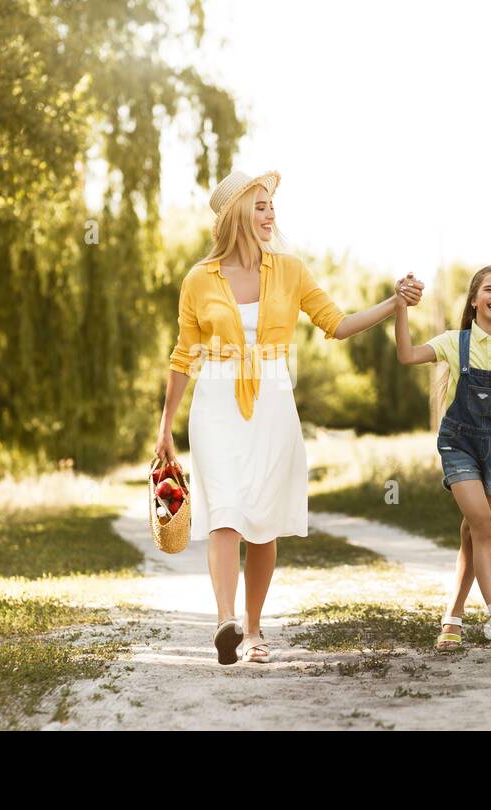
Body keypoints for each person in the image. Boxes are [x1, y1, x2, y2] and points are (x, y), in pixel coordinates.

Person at [154, 169, 424, 665]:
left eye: (272, 206)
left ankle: (254, 630)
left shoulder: (290, 270)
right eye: (259, 206)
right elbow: (183, 355)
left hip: (273, 401)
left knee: (264, 521)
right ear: (236, 214)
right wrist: (165, 425)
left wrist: (393, 303)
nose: (270, 214)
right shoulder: (199, 279)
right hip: (216, 401)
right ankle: (226, 622)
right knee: (225, 512)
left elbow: (337, 324)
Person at [394, 265, 491, 652]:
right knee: (484, 527)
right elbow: (407, 355)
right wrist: (400, 308)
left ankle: (453, 618)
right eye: (489, 289)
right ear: (475, 299)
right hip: (458, 444)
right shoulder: (453, 341)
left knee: (471, 533)